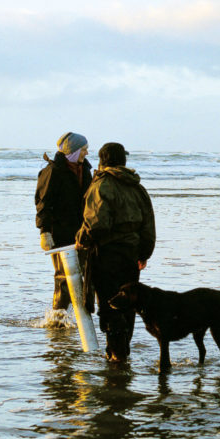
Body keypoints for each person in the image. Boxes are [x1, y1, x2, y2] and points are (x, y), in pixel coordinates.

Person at [75, 143, 156, 362]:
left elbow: (97, 223)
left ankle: (116, 355)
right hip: (131, 254)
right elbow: (148, 223)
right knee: (127, 305)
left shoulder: (102, 184)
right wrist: (144, 253)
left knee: (110, 305)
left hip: (107, 254)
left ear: (102, 160)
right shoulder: (137, 187)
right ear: (123, 160)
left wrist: (81, 240)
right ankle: (121, 352)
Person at [35, 132, 92, 311]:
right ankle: (58, 320)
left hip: (81, 232)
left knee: (81, 276)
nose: (87, 153)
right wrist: (44, 232)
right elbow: (43, 203)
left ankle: (72, 320)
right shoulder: (52, 172)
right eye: (84, 149)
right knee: (64, 277)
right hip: (59, 233)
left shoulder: (86, 170)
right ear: (73, 151)